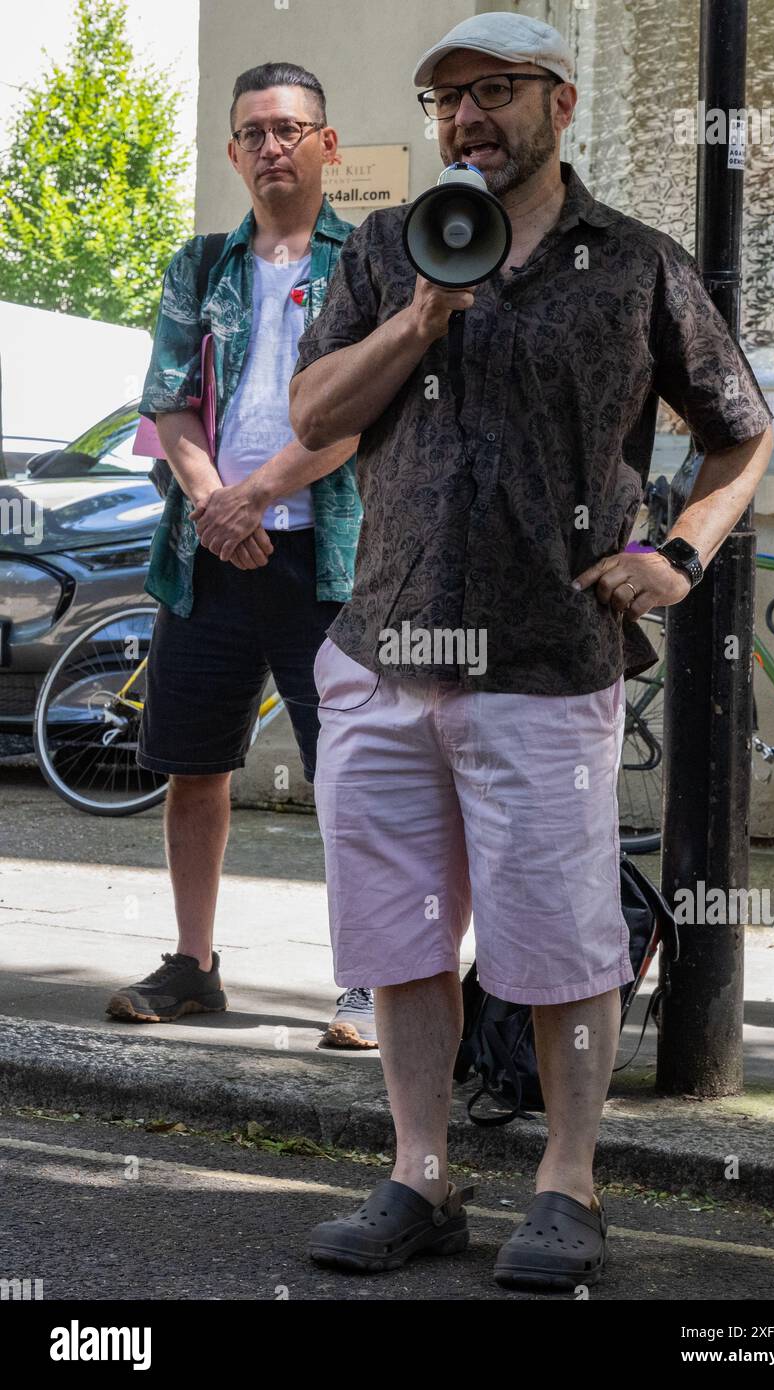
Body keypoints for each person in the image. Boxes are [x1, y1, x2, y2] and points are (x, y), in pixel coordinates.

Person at [290, 11, 774, 1289]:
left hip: (548, 660)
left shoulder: (636, 265)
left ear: (561, 103)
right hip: (383, 653)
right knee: (395, 939)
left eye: (495, 92)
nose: (467, 119)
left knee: (558, 942)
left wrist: (677, 552)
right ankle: (421, 1179)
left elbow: (739, 432)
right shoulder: (386, 251)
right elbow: (311, 417)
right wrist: (416, 323)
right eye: (447, 99)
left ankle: (567, 1187)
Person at [105, 62, 377, 1050]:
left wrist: (256, 496)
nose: (271, 146)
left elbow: (362, 409)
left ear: (325, 144)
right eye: (253, 132)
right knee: (194, 766)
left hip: (331, 561)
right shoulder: (199, 262)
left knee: (351, 774)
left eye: (290, 129)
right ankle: (193, 962)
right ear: (233, 151)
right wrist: (217, 504)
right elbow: (169, 400)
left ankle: (368, 982)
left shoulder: (368, 261)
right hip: (207, 557)